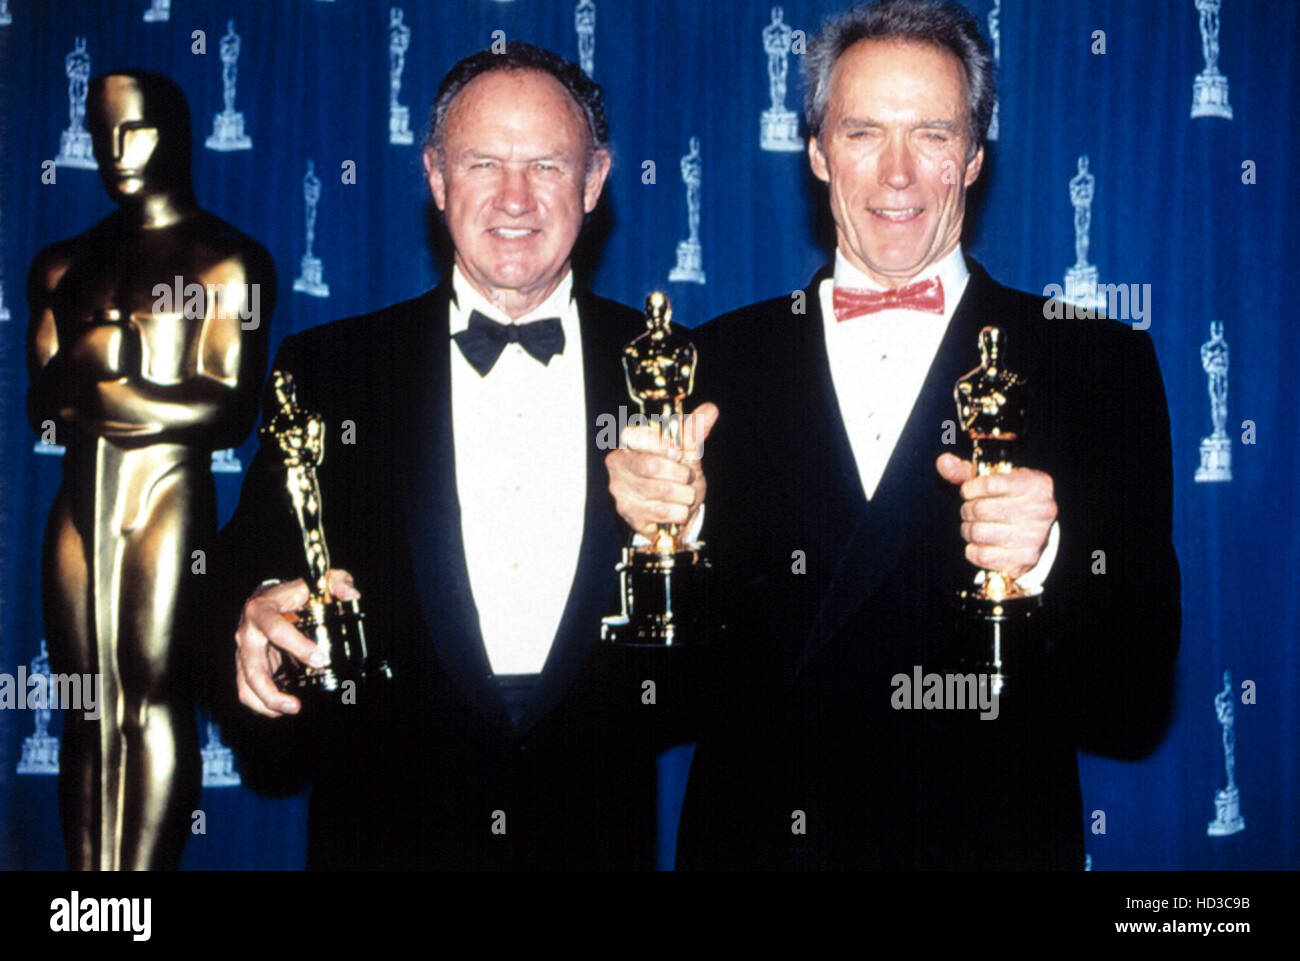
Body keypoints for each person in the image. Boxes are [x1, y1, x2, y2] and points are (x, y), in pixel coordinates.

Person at [606, 0, 1180, 869]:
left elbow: (1133, 703)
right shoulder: (711, 363)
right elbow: (652, 703)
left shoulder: (1096, 362)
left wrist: (1048, 561)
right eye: (865, 132)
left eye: (935, 135)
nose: (899, 175)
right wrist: (675, 547)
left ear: (976, 158)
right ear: (815, 152)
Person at [209, 43, 687, 869]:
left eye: (546, 163)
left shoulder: (670, 371)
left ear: (595, 180)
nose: (513, 197)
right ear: (435, 178)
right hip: (386, 838)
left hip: (596, 839)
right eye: (481, 163)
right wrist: (251, 612)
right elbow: (236, 570)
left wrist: (699, 529)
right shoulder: (331, 369)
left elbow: (738, 638)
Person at [27, 70, 272, 870]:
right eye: (101, 133)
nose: (115, 151)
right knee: (86, 706)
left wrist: (109, 381)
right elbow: (42, 402)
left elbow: (228, 407)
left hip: (164, 493)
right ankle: (91, 899)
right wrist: (106, 379)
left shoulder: (225, 260)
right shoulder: (63, 266)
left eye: (135, 131)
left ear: (175, 134)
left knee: (149, 696)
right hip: (79, 498)